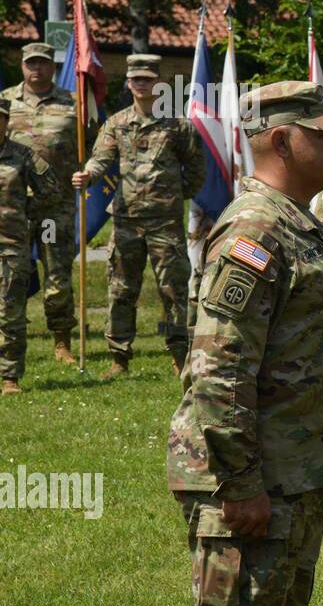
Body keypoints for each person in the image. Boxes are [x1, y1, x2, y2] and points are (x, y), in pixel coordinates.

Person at [167, 81, 323, 606]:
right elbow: (218, 370)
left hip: (288, 475)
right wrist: (241, 482)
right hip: (249, 483)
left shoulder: (294, 222)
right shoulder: (255, 230)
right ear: (281, 139)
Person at [72, 54, 205, 377]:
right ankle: (119, 358)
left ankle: (180, 355)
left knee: (173, 290)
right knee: (121, 291)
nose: (141, 83)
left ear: (158, 82)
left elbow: (197, 170)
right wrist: (87, 174)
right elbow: (101, 159)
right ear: (128, 83)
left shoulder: (178, 126)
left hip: (165, 223)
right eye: (135, 79)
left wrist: (175, 195)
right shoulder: (116, 124)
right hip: (126, 221)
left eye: (147, 78)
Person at [1, 42, 78, 362]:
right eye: (31, 62)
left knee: (56, 274)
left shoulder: (72, 104)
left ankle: (61, 341)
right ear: (21, 66)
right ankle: (10, 340)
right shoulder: (5, 100)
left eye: (43, 63)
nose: (37, 68)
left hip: (52, 209)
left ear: (53, 67)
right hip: (12, 209)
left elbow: (93, 141)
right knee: (9, 276)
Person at [0, 97, 61, 394]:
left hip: (11, 245)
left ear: (7, 121)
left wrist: (24, 213)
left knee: (9, 311)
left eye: (0, 118)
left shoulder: (23, 155)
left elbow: (50, 190)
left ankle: (10, 376)